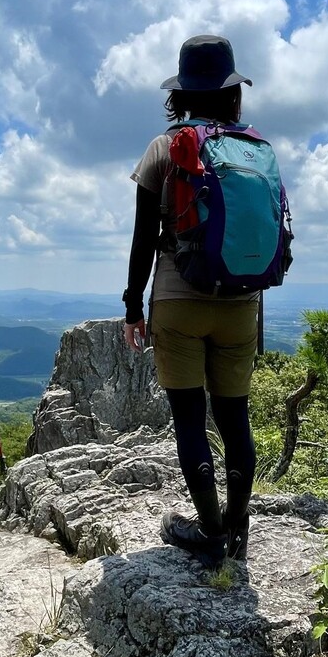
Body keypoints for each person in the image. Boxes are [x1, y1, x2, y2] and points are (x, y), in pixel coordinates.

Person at [123, 35, 263, 567]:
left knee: (189, 418)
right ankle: (240, 528)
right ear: (232, 92)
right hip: (242, 302)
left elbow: (141, 239)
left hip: (179, 301)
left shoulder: (165, 148)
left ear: (180, 94)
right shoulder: (253, 147)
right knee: (235, 418)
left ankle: (210, 532)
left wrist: (133, 307)